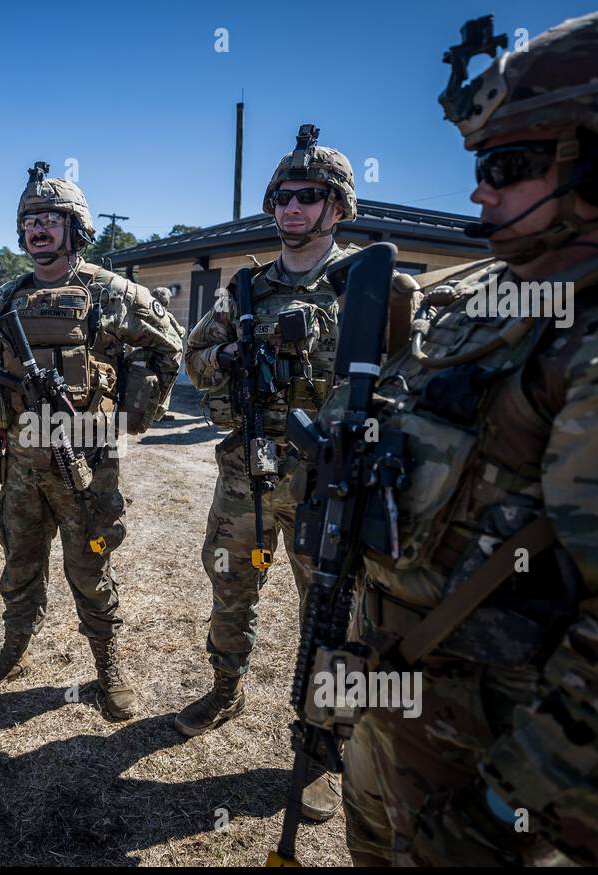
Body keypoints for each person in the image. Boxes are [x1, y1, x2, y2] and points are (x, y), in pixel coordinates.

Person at [338, 4, 598, 866]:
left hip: (491, 774)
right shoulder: (501, 310)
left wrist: (499, 829)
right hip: (399, 714)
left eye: (506, 165)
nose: (478, 190)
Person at [178, 128, 417, 824]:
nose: (291, 208)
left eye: (308, 197)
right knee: (229, 586)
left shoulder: (369, 286)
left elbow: (409, 380)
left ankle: (321, 744)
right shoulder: (247, 288)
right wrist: (233, 355)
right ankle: (226, 689)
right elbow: (194, 361)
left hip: (331, 487)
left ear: (337, 207)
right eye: (281, 196)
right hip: (248, 476)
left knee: (338, 620)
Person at [0, 162, 181, 720]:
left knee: (91, 566)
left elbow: (170, 349)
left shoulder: (113, 293)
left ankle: (109, 666)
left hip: (87, 459)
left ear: (75, 227)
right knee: (19, 562)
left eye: (50, 219)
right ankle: (14, 649)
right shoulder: (3, 299)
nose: (38, 229)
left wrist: (130, 418)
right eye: (30, 220)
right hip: (22, 461)